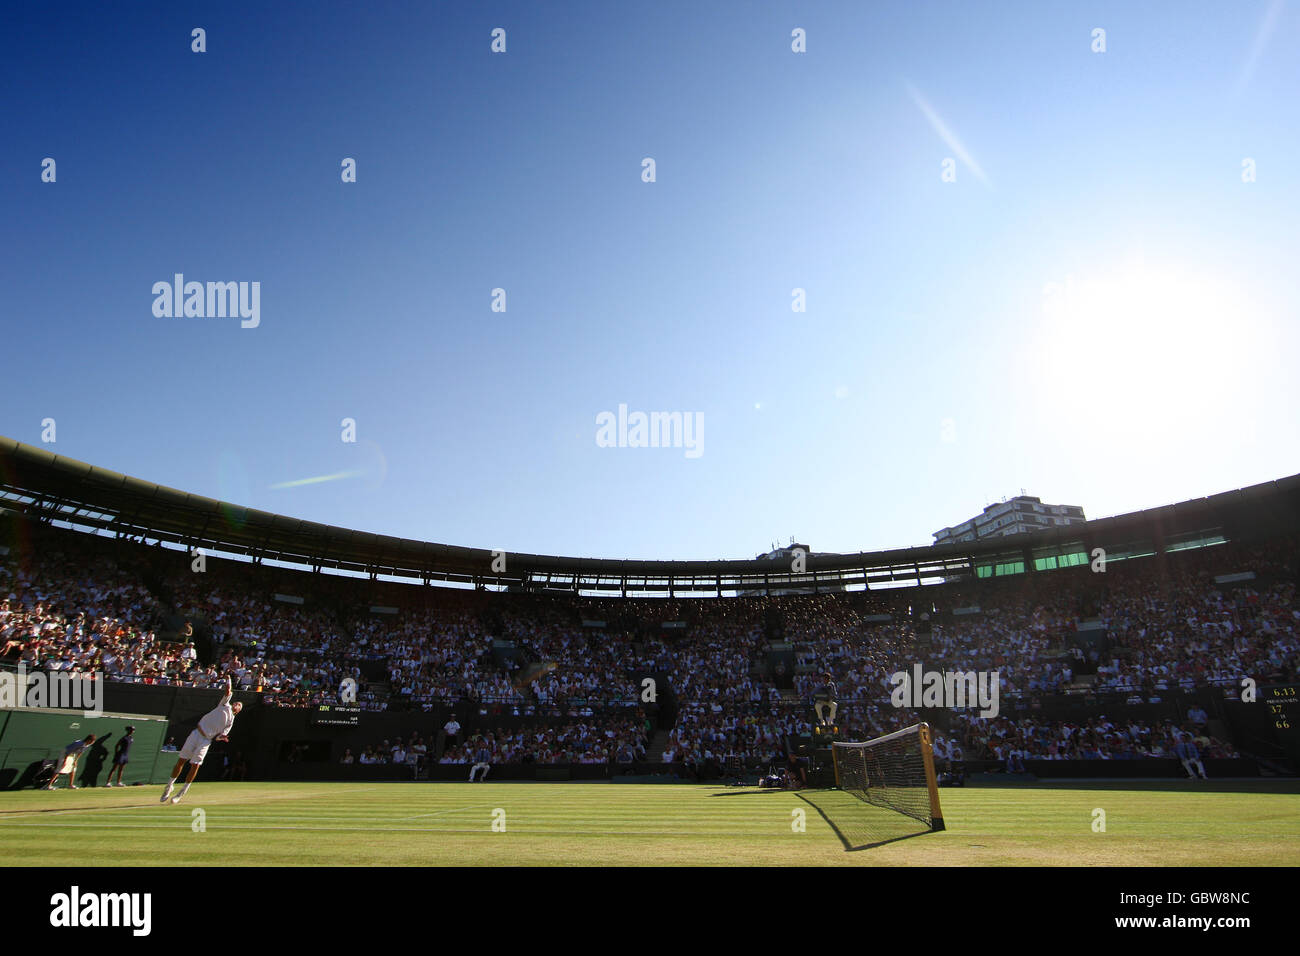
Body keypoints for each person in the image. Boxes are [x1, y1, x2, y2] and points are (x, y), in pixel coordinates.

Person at [161, 675, 242, 804]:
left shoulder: (230, 722)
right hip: (196, 734)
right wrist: (228, 679)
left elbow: (219, 736)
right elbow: (228, 691)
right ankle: (169, 786)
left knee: (195, 765)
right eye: (237, 702)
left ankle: (181, 792)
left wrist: (222, 738)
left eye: (239, 705)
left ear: (238, 711)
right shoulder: (224, 704)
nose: (237, 704)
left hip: (206, 741)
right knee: (181, 760)